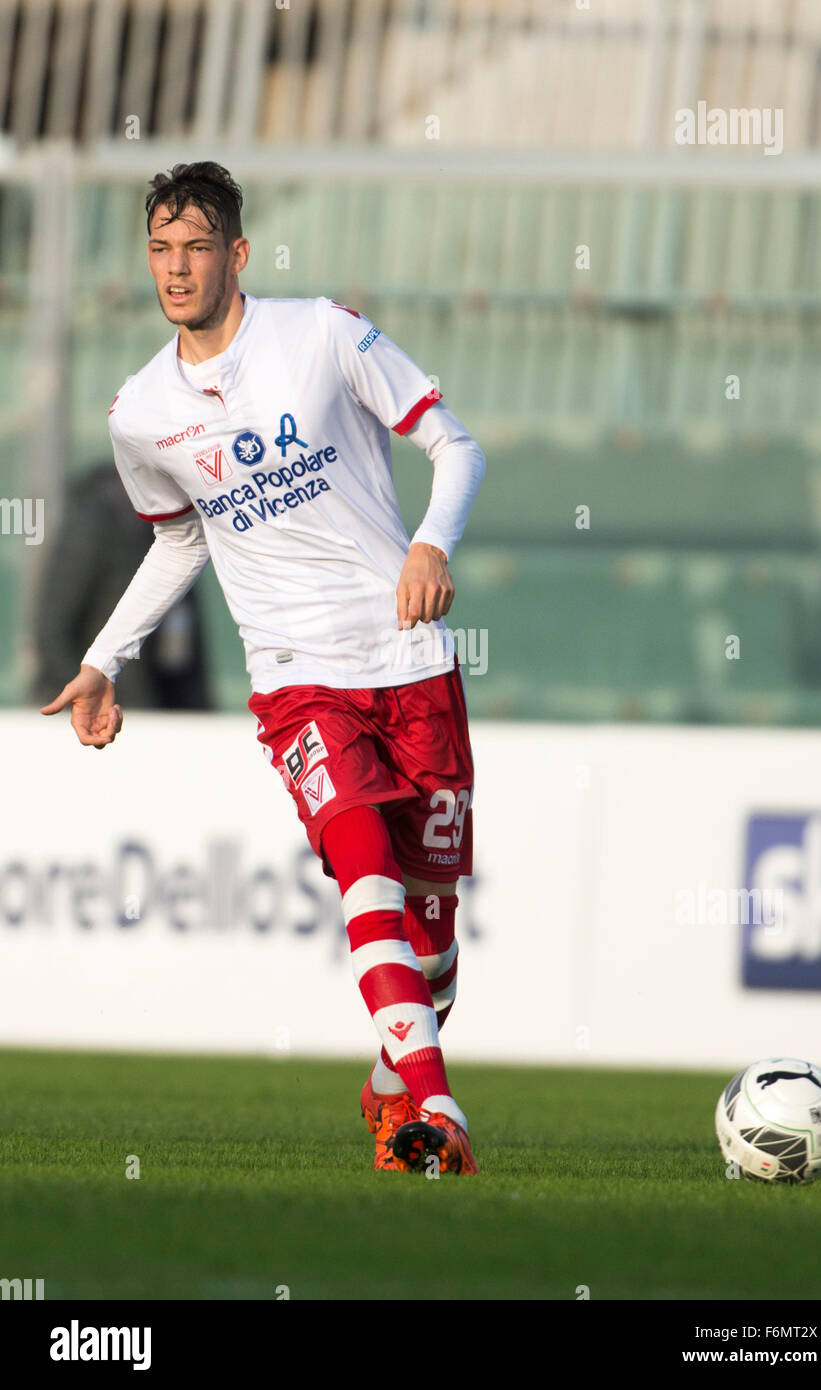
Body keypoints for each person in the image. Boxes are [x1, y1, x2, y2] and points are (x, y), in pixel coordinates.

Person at [41, 162, 486, 1175]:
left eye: (197, 247)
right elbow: (180, 541)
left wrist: (431, 544)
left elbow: (456, 447)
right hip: (296, 680)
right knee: (361, 865)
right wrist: (104, 658)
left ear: (237, 253)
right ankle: (439, 1116)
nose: (177, 267)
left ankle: (391, 1083)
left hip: (410, 662)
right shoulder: (141, 413)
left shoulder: (324, 335)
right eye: (160, 249)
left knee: (433, 941)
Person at [33, 462, 212, 711]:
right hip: (107, 709)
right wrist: (88, 700)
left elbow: (181, 646)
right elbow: (53, 631)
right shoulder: (94, 524)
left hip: (161, 712)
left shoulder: (176, 525)